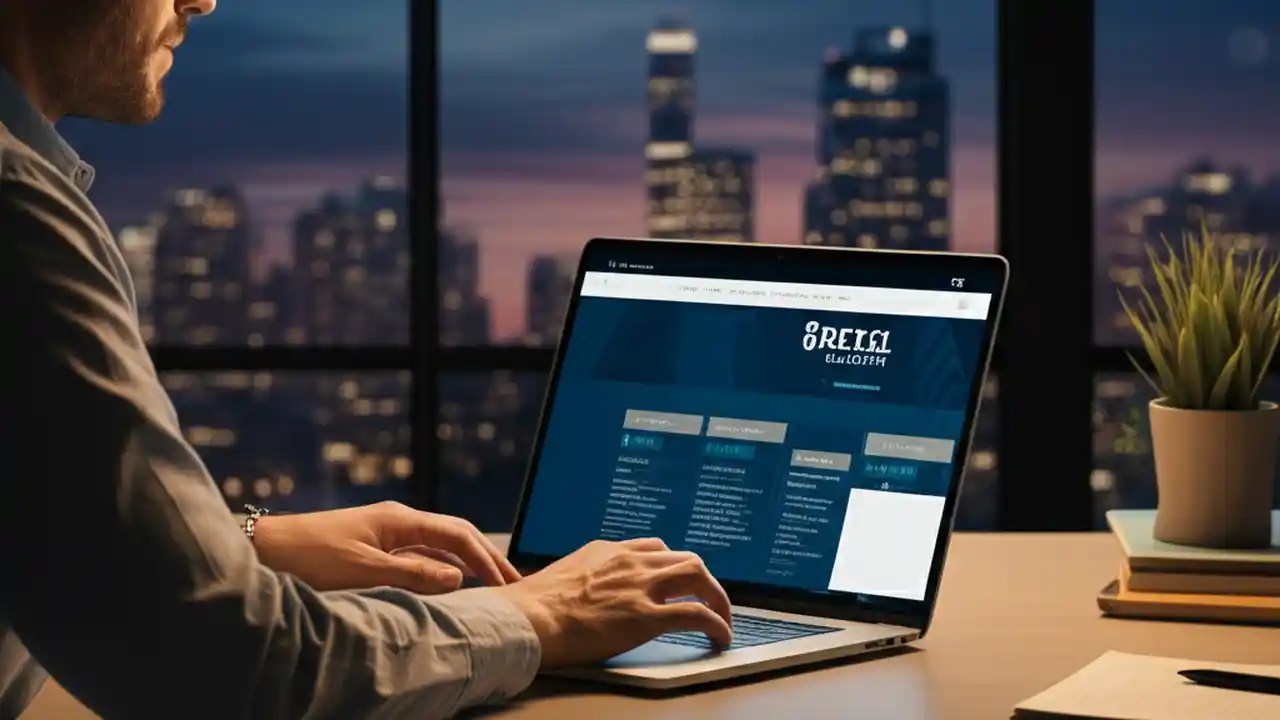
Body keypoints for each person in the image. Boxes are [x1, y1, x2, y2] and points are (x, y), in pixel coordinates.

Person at [0, 1, 733, 718]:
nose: (203, 1)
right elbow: (228, 665)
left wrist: (255, 544)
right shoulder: (18, 212)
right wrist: (534, 615)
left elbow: (61, 551)